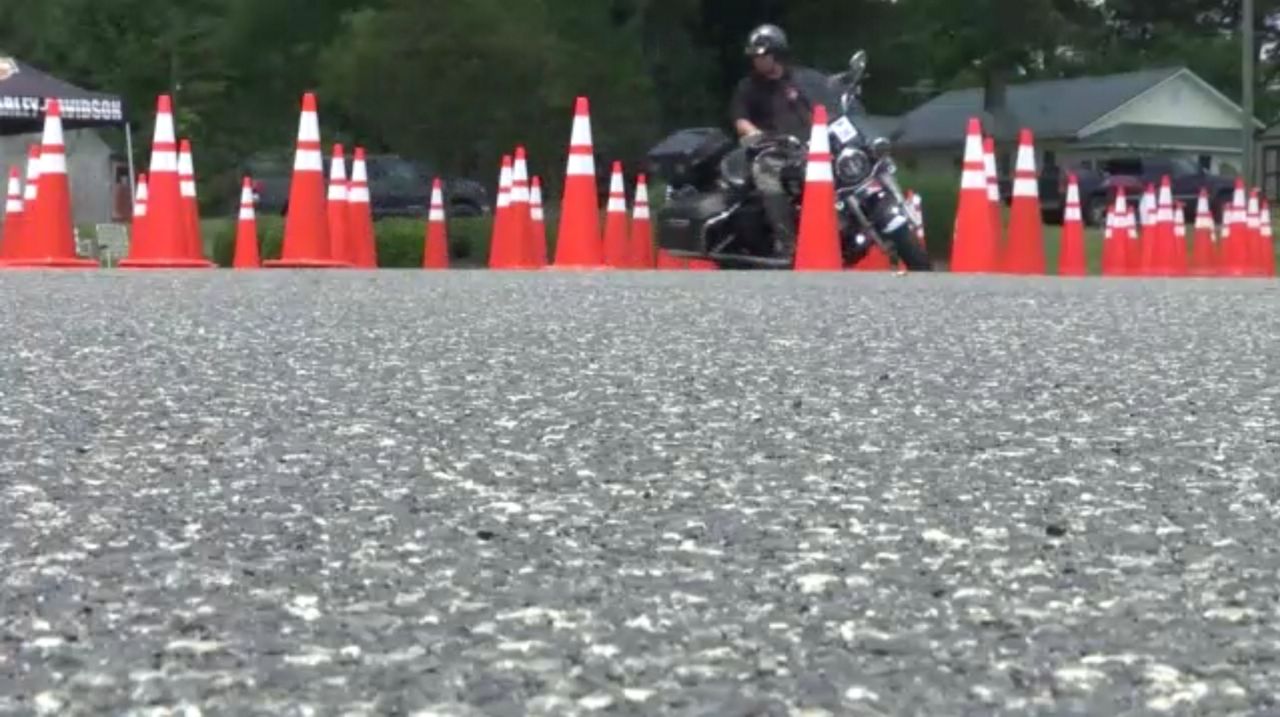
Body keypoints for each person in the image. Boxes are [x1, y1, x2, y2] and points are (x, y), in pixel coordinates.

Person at [729, 24, 819, 260]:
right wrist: (758, 136)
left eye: (762, 55)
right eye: (754, 56)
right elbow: (740, 120)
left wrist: (823, 129)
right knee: (767, 176)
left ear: (776, 54)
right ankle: (786, 242)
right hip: (771, 150)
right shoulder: (748, 87)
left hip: (807, 148)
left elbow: (816, 112)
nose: (757, 61)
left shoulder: (797, 82)